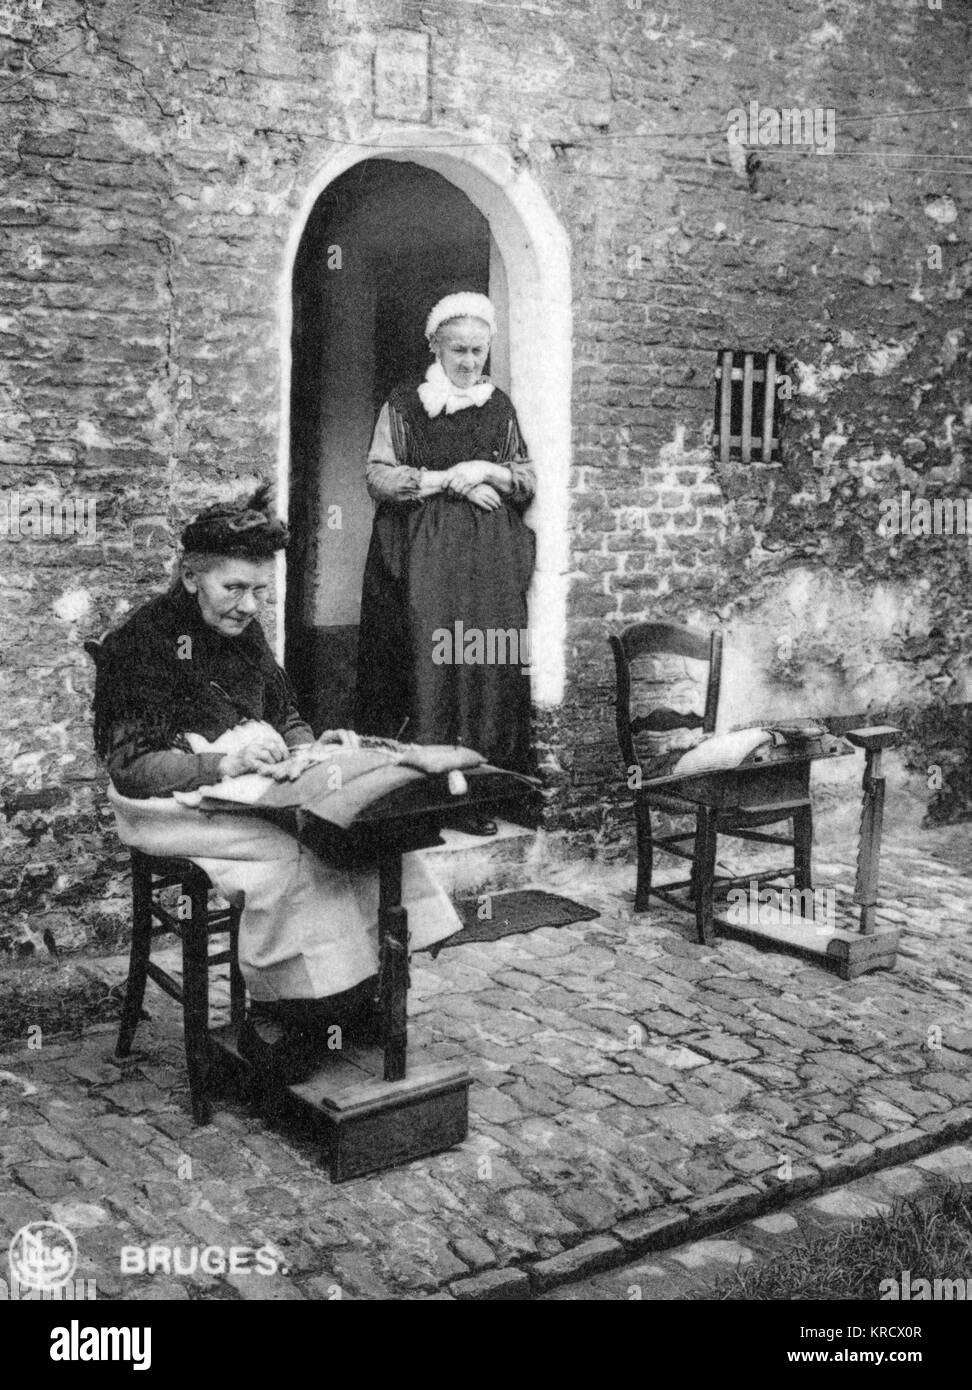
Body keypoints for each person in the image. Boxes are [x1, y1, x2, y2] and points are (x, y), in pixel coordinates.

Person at [91, 483, 462, 1081]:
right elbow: (132, 768)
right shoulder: (141, 643)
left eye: (259, 590)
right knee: (300, 851)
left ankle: (349, 993)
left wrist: (301, 750)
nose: (246, 604)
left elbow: (286, 711)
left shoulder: (246, 633)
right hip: (166, 803)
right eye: (232, 587)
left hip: (241, 791)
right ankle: (285, 1015)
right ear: (191, 576)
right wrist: (223, 765)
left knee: (366, 833)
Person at [355, 292, 537, 834]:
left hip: (487, 566)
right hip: (419, 559)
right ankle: (420, 799)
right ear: (434, 345)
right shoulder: (405, 404)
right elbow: (378, 477)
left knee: (482, 663)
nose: (469, 362)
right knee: (424, 666)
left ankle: (476, 794)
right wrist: (447, 482)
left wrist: (486, 468)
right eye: (458, 350)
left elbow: (525, 480)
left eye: (479, 351)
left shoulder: (499, 406)